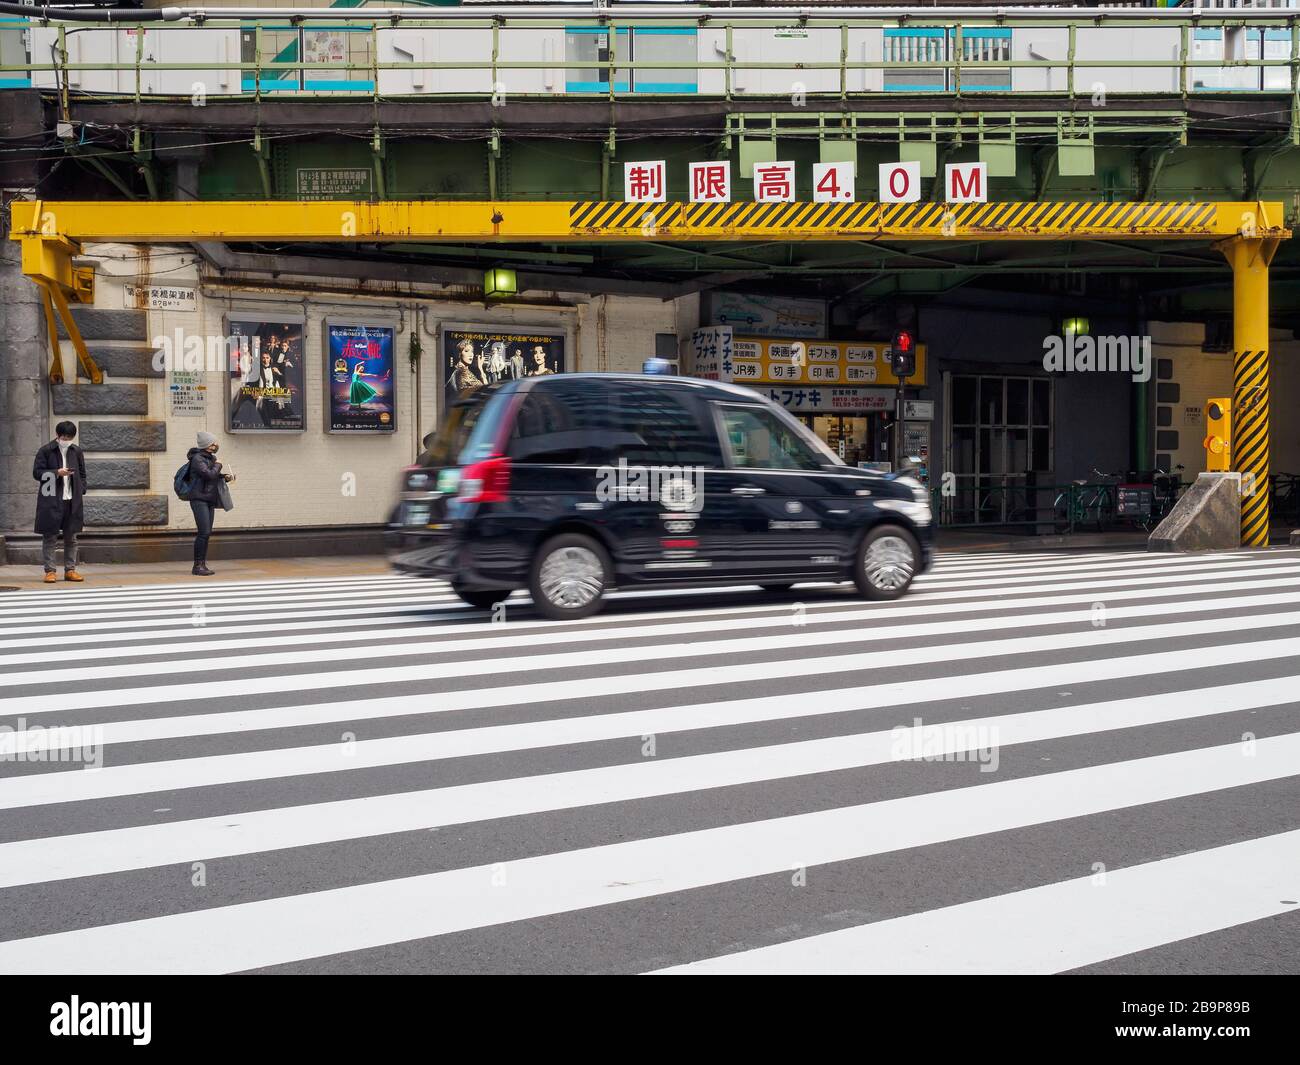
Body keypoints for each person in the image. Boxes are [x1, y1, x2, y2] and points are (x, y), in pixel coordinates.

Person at [33, 420, 87, 583]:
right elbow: (37, 473)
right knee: (50, 536)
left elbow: (83, 473)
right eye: (64, 436)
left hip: (72, 500)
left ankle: (70, 570)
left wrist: (82, 488)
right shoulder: (46, 451)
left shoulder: (76, 451)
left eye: (70, 437)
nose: (67, 439)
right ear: (58, 435)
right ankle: (50, 571)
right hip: (51, 500)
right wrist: (57, 472)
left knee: (71, 537)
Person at [186, 431, 234, 576]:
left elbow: (212, 477)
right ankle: (197, 565)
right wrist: (218, 465)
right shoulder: (197, 459)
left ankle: (202, 564)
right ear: (206, 445)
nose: (215, 445)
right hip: (199, 499)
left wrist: (225, 477)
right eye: (213, 443)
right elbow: (208, 474)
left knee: (206, 533)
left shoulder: (210, 458)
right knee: (204, 532)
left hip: (209, 499)